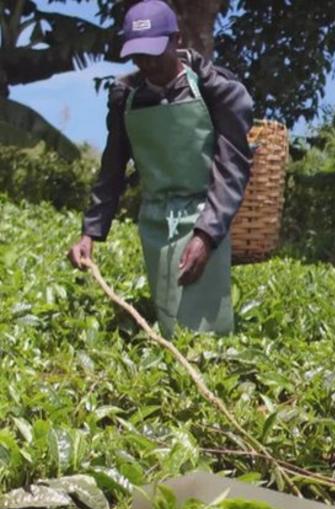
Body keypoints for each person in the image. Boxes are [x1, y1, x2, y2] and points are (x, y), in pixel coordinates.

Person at [67, 0, 252, 339]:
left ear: (176, 40)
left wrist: (207, 234)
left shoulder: (217, 89)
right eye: (139, 56)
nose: (148, 63)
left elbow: (232, 167)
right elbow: (113, 166)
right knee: (168, 320)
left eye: (155, 52)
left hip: (204, 213)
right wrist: (90, 232)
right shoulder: (126, 95)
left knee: (205, 333)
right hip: (154, 219)